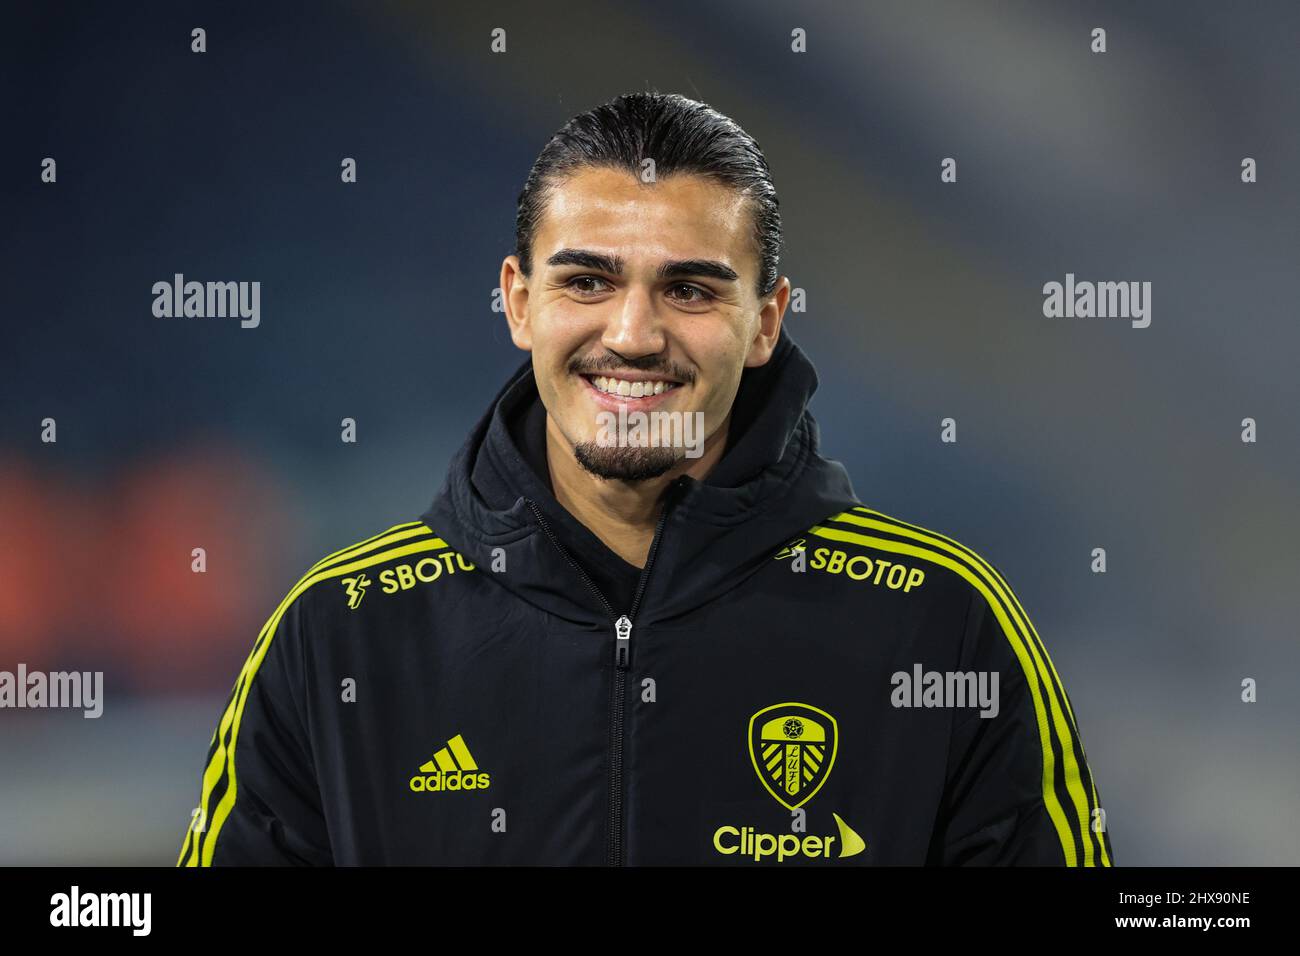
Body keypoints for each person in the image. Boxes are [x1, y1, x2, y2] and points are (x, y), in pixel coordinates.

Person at [178, 92, 1113, 866]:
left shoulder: (942, 624)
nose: (631, 334)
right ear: (517, 301)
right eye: (586, 282)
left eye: (691, 290)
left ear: (765, 322)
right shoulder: (340, 635)